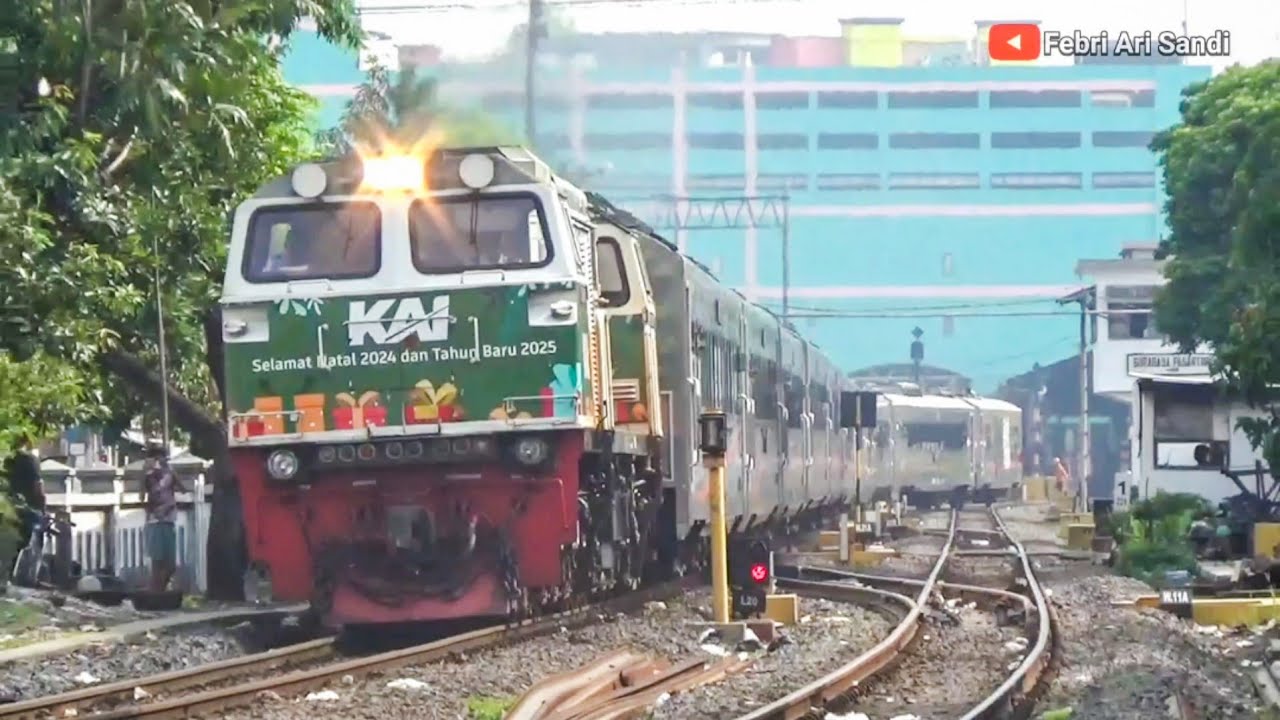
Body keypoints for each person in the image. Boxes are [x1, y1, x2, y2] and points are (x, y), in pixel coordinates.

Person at [143, 443, 186, 592]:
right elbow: (149, 493)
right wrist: (153, 472)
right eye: (158, 458)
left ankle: (158, 590)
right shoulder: (149, 476)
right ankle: (155, 592)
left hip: (168, 520)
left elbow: (183, 489)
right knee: (158, 562)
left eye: (163, 458)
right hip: (155, 521)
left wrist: (172, 475)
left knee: (170, 565)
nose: (161, 461)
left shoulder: (169, 473)